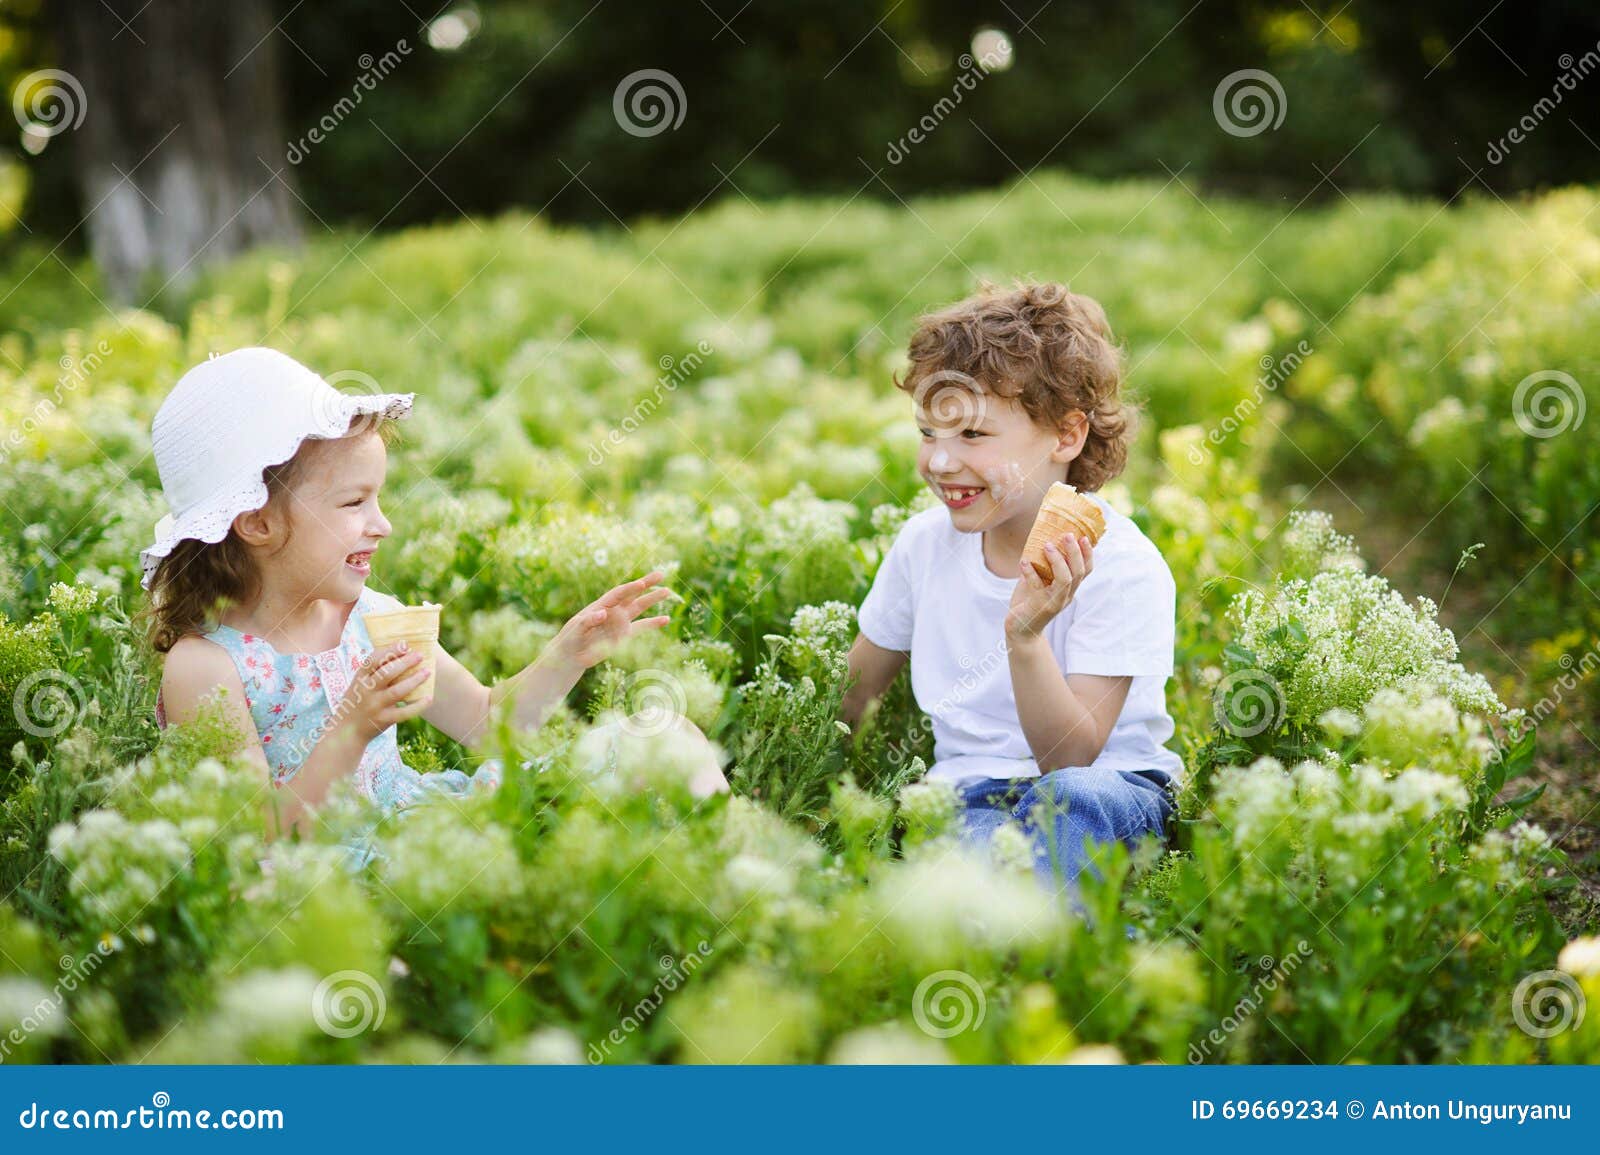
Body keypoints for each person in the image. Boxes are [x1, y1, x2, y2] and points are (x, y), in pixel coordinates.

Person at [143, 347, 725, 867]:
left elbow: (487, 724)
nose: (382, 525)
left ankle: (738, 895)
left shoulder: (370, 617)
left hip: (421, 833)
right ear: (256, 522)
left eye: (378, 498)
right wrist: (354, 727)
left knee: (664, 737)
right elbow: (260, 840)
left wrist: (566, 656)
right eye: (354, 503)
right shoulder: (207, 666)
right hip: (334, 877)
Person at [840, 283, 1180, 891]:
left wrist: (1026, 639)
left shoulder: (1122, 565)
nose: (941, 463)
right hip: (971, 794)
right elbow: (853, 694)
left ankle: (1043, 940)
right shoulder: (923, 546)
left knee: (1073, 803)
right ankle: (1024, 932)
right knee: (970, 843)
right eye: (927, 433)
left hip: (1111, 789)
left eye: (972, 436)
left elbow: (1071, 758)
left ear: (1066, 436)